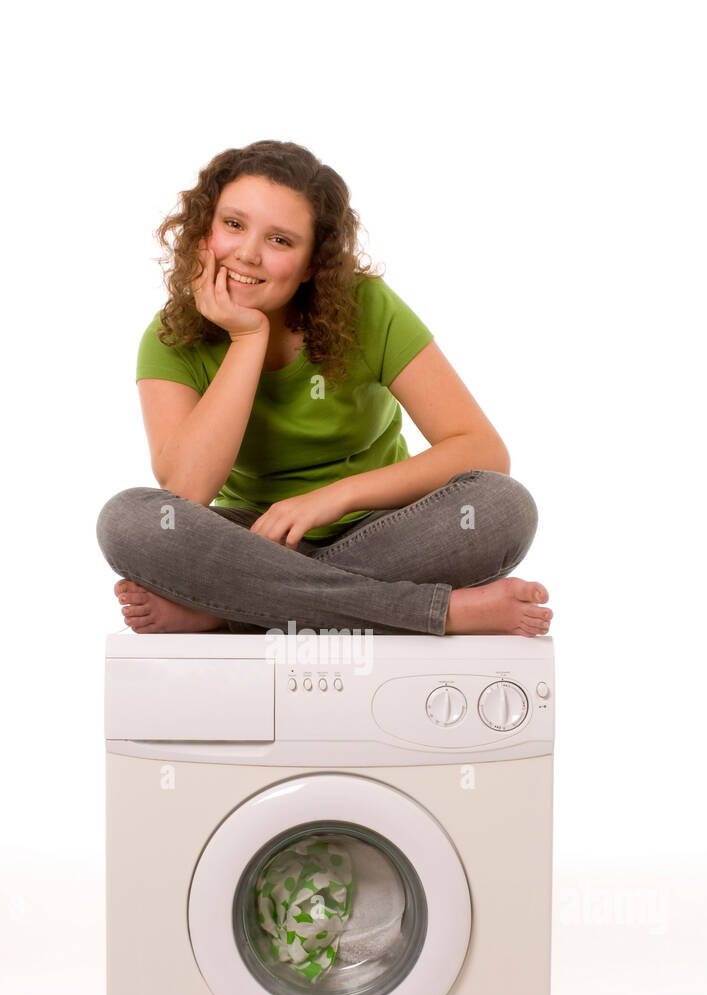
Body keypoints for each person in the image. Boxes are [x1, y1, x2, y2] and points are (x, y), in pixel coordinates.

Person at [96, 140, 552, 637]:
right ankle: (437, 613)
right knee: (129, 522)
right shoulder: (169, 338)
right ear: (205, 228)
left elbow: (482, 450)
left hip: (385, 531)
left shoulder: (369, 308)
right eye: (233, 224)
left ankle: (231, 610)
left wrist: (333, 498)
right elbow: (186, 490)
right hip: (253, 542)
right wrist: (248, 338)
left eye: (280, 241)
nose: (247, 253)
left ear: (313, 262)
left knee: (504, 506)